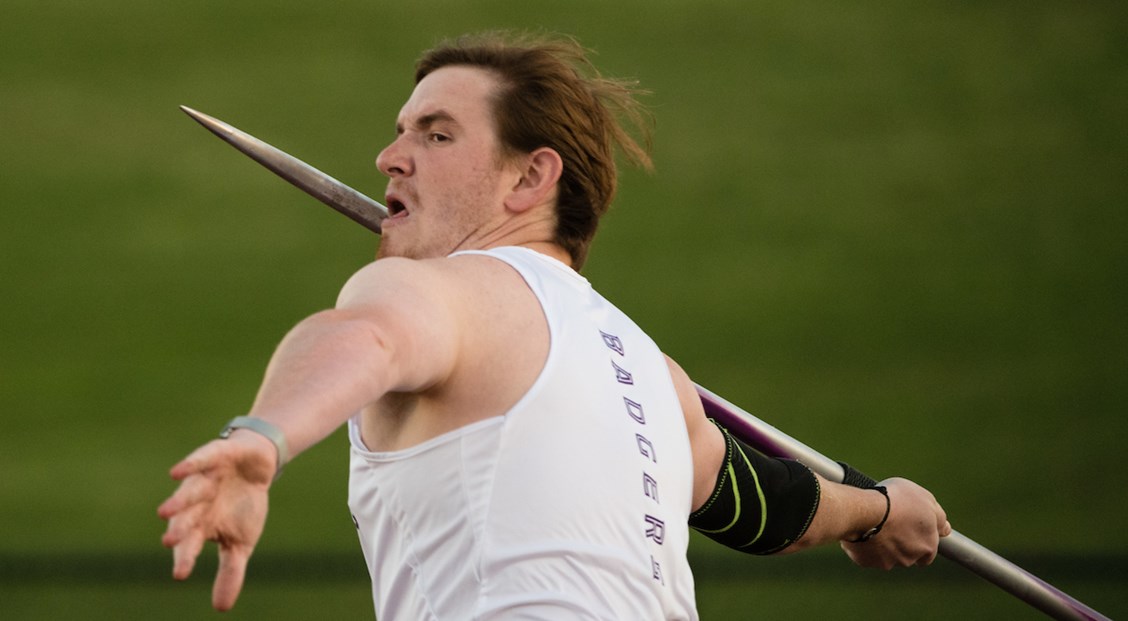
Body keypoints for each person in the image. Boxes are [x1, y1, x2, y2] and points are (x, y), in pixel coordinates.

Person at [158, 32, 951, 619]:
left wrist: (264, 435)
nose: (388, 157)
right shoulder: (652, 373)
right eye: (403, 130)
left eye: (435, 134)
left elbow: (365, 337)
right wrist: (879, 509)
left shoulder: (453, 292)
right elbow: (760, 502)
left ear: (531, 177)